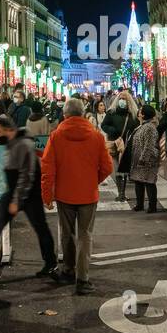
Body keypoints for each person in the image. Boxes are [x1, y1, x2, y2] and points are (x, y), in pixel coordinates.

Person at [41, 97, 113, 294]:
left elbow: (48, 168)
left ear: (65, 114)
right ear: (83, 113)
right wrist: (93, 180)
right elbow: (107, 167)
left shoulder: (56, 136)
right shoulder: (96, 136)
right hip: (88, 194)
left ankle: (68, 269)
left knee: (67, 233)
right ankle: (83, 279)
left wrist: (47, 195)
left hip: (64, 194)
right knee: (85, 235)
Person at [0, 116, 56, 277]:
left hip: (28, 194)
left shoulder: (24, 144)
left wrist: (17, 200)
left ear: (8, 129)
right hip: (15, 191)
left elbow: (26, 175)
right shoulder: (13, 143)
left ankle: (51, 263)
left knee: (40, 228)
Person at [101, 89, 138, 203]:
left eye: (124, 99)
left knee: (124, 169)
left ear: (129, 101)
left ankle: (122, 192)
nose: (122, 101)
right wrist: (112, 131)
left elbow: (136, 128)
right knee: (117, 169)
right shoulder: (111, 112)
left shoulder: (132, 114)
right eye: (120, 98)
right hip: (114, 144)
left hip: (126, 145)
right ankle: (120, 192)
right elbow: (104, 125)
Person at [128, 104, 162, 212]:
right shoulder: (143, 125)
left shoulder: (149, 127)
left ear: (143, 114)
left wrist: (144, 159)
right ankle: (140, 204)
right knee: (139, 182)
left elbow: (149, 145)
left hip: (147, 160)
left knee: (149, 182)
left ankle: (152, 206)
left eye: (141, 111)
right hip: (139, 159)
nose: (139, 112)